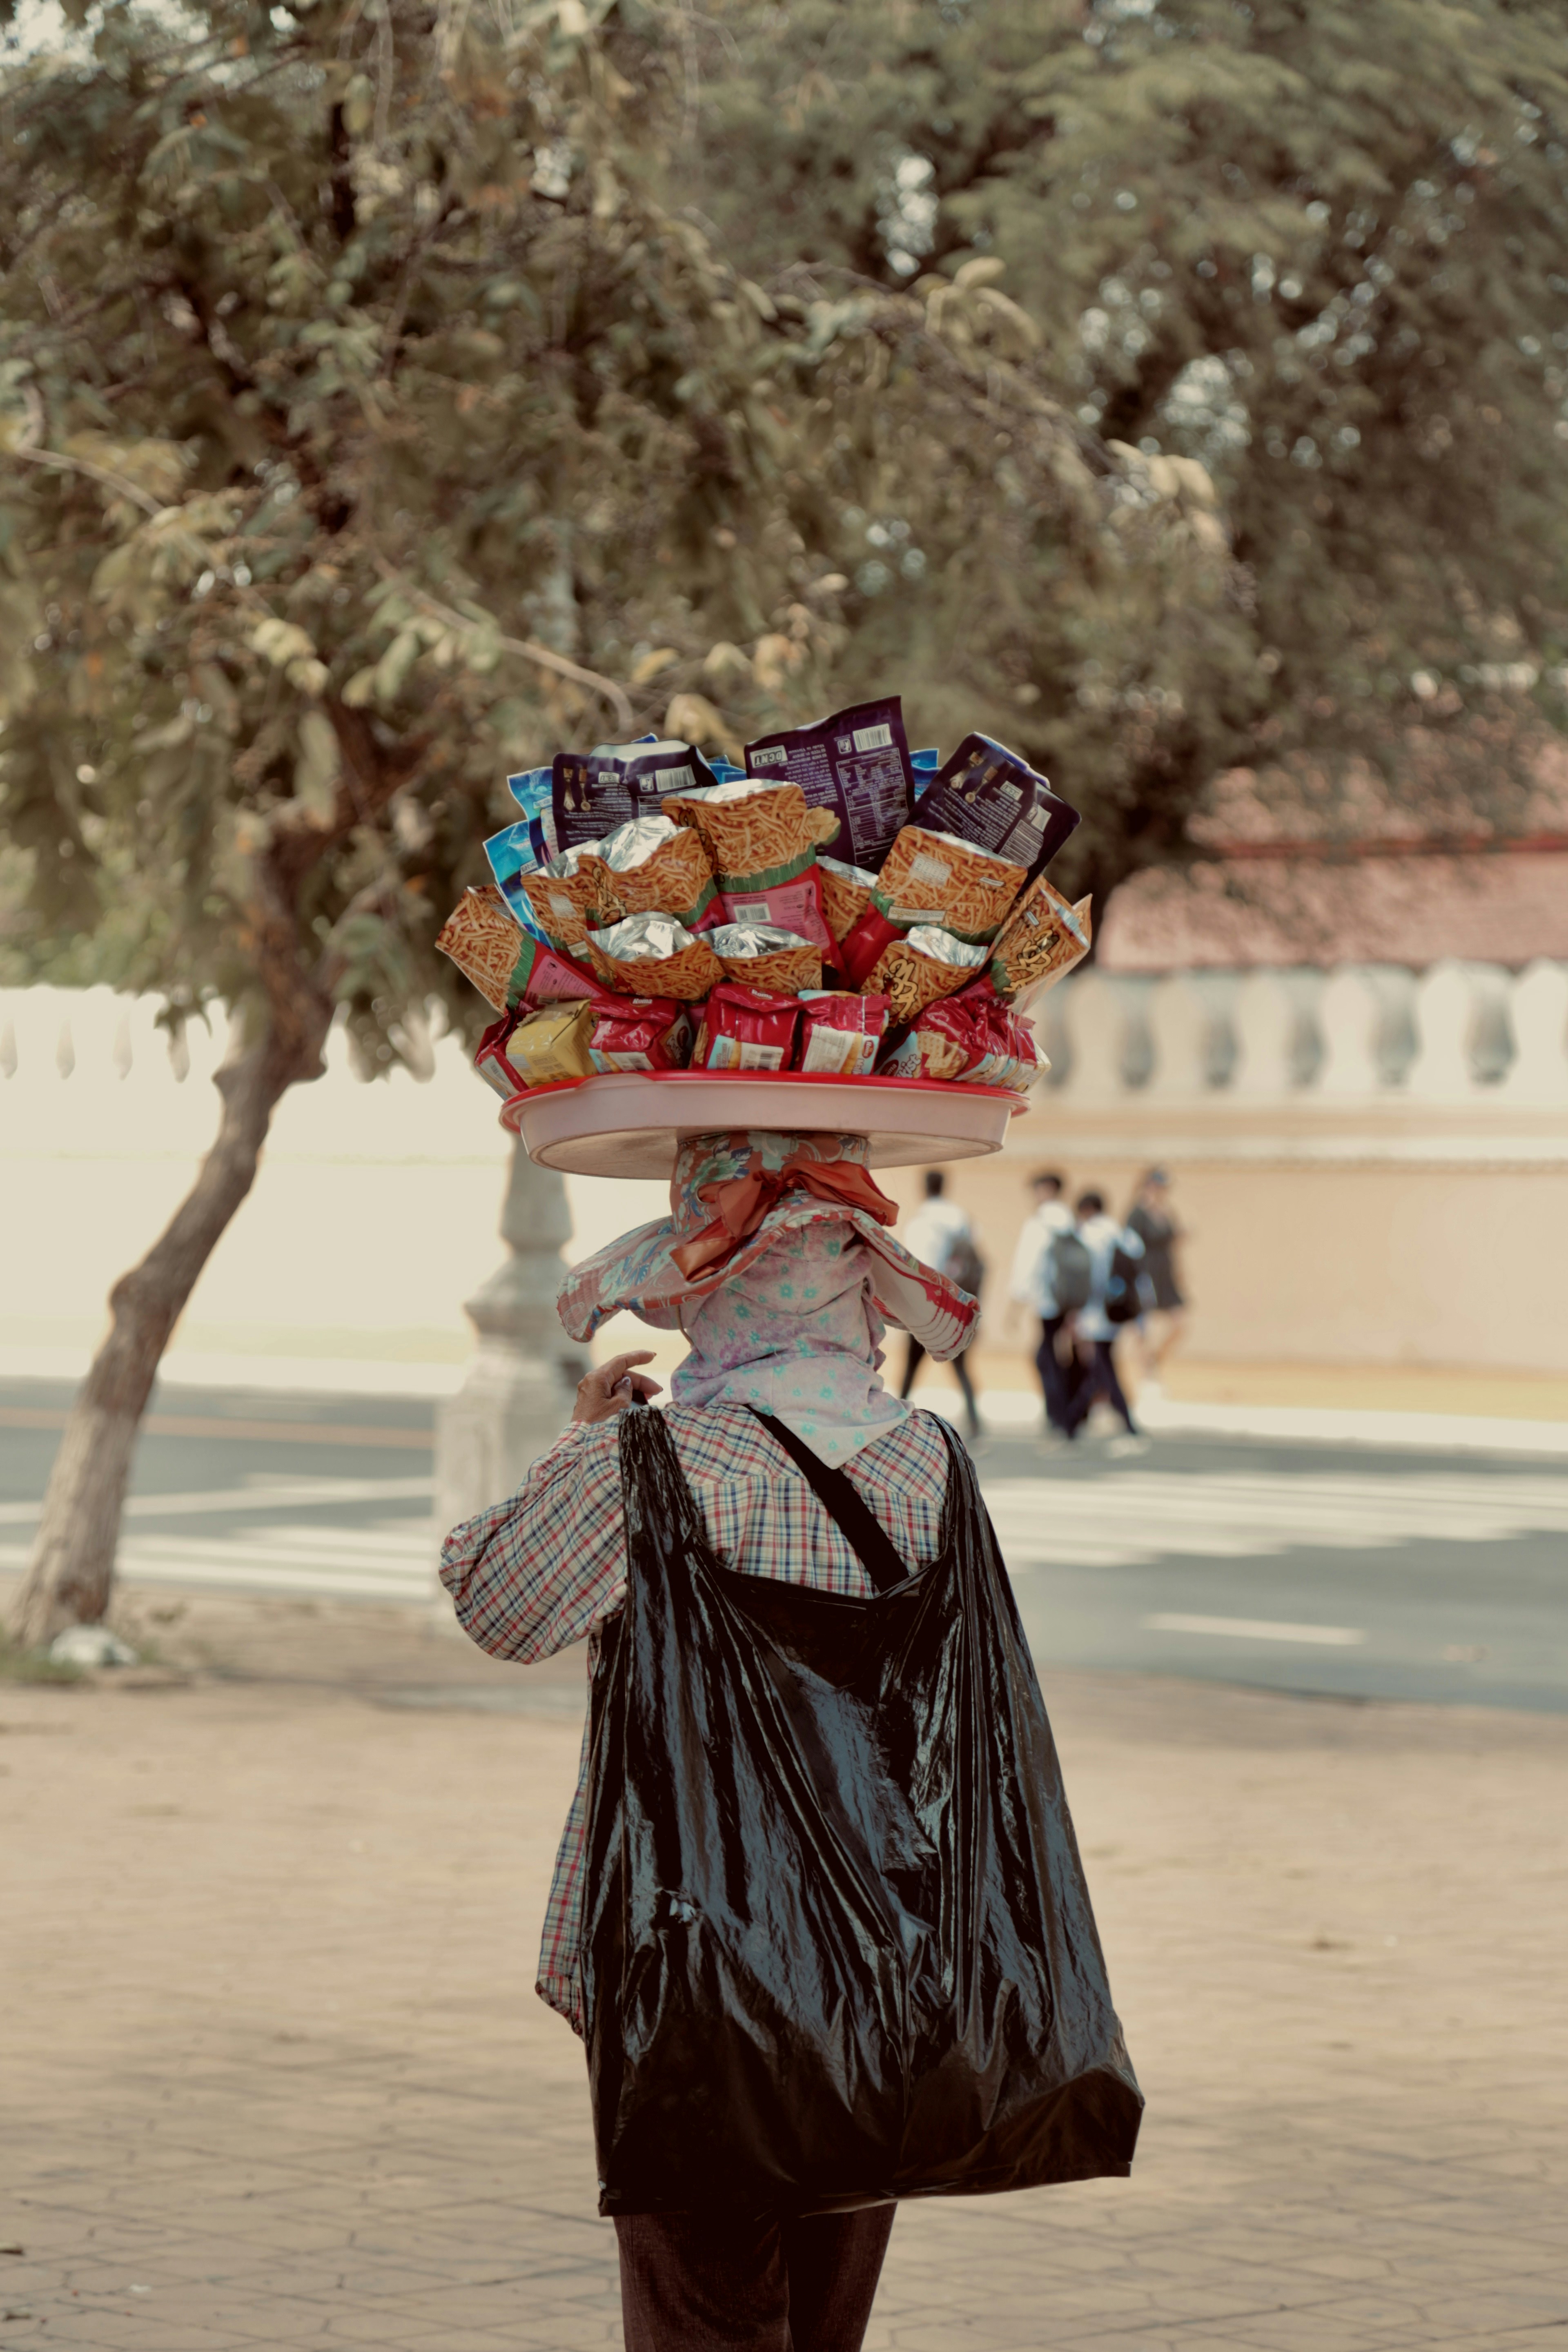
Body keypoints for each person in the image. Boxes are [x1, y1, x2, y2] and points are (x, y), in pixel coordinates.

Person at [439, 1129, 981, 2352]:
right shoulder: (931, 1467)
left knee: (701, 2316)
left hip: (693, 1959)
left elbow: (497, 1605)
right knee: (820, 2321)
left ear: (708, 1291)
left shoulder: (655, 1463)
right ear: (857, 1291)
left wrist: (585, 1440)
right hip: (875, 1964)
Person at [898, 1168, 982, 1441]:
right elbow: (975, 1262)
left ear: (924, 1187)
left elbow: (913, 1267)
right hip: (953, 1304)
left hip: (922, 1303)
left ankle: (898, 1420)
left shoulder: (918, 1220)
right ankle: (975, 1422)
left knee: (911, 1367)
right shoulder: (959, 1218)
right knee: (961, 1366)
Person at [1064, 1189, 1145, 1447]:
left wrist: (1075, 1312)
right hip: (1119, 1309)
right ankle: (1077, 1422)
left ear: (1086, 1211)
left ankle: (1073, 1423)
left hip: (1095, 1310)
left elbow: (1084, 1275)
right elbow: (1140, 1273)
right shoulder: (1122, 1233)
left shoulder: (1088, 1235)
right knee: (1102, 1366)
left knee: (1102, 1368)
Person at [1005, 1168, 1078, 1437]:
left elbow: (1027, 1266)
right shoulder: (1070, 1220)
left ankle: (1059, 1417)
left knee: (1046, 1358)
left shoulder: (1040, 1223)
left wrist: (1015, 1306)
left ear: (1047, 1189)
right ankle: (1065, 1414)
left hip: (1048, 1301)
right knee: (1058, 1357)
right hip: (1070, 1302)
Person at [1126, 1166, 1186, 1393]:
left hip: (1166, 1276)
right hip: (1145, 1275)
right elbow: (1130, 1245)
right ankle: (1147, 1376)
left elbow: (1172, 1244)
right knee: (1145, 1328)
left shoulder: (1165, 1212)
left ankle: (1154, 1361)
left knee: (1179, 1324)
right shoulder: (1138, 1214)